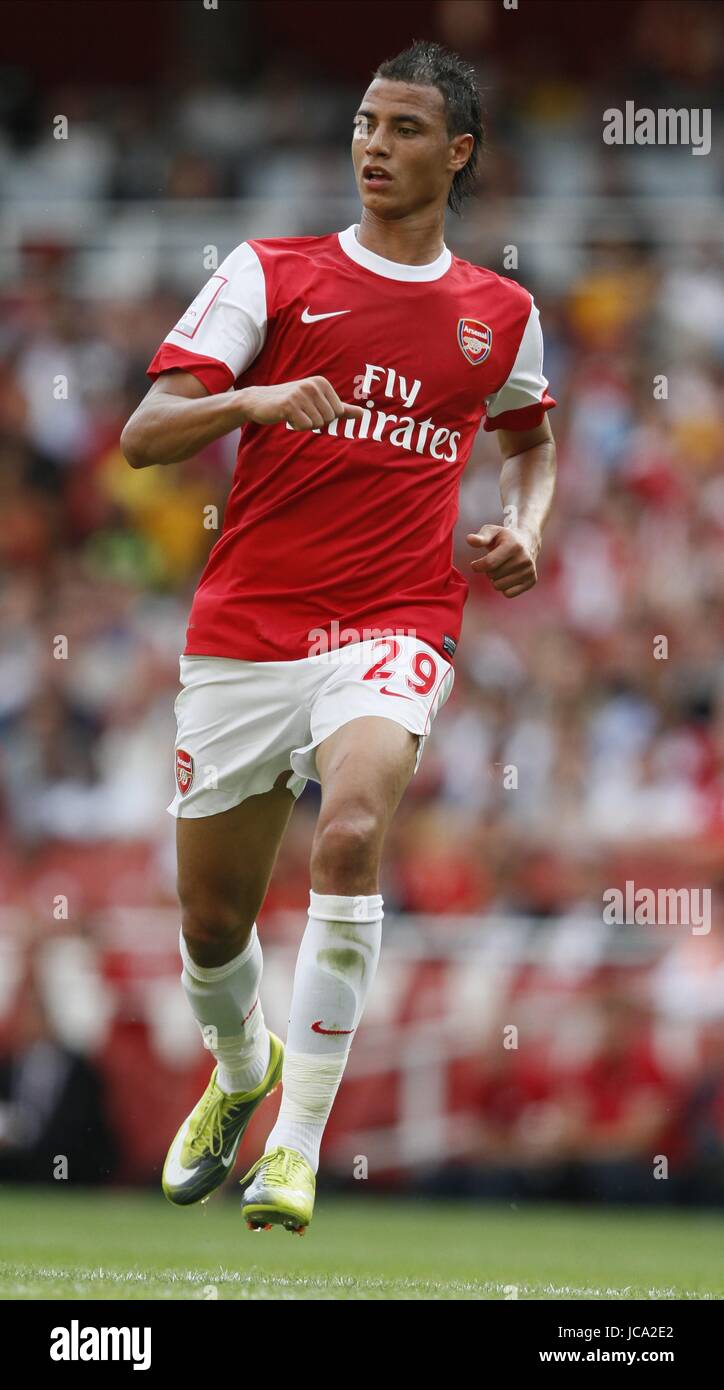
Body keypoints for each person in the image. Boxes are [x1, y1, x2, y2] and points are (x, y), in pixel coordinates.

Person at [120, 39, 557, 1234]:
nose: (374, 144)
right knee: (212, 925)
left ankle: (297, 1148)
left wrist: (522, 526)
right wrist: (250, 398)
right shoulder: (271, 273)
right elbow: (145, 433)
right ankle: (243, 1065)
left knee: (354, 828)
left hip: (394, 620)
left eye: (405, 128)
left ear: (456, 153)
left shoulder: (500, 313)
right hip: (245, 631)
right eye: (366, 122)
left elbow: (531, 445)